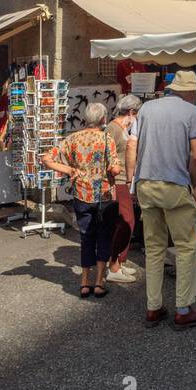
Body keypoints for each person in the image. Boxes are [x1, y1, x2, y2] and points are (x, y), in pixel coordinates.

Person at [126, 70, 196, 330]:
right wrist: (194, 185)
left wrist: (133, 181)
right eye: (195, 92)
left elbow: (132, 145)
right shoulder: (192, 112)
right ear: (190, 91)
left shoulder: (147, 108)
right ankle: (183, 308)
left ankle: (153, 306)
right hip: (175, 184)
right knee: (185, 246)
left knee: (154, 247)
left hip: (146, 183)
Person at [46, 102, 122, 298]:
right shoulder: (107, 139)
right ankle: (99, 282)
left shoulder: (72, 139)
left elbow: (47, 158)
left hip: (81, 195)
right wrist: (115, 170)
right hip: (103, 196)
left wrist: (71, 170)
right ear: (103, 119)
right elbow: (115, 169)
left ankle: (84, 282)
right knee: (104, 237)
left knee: (86, 237)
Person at [105, 94, 143, 284]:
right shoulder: (113, 128)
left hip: (124, 180)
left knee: (127, 221)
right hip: (119, 180)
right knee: (126, 222)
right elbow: (108, 156)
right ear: (131, 112)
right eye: (137, 113)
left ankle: (118, 261)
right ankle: (113, 265)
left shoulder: (121, 127)